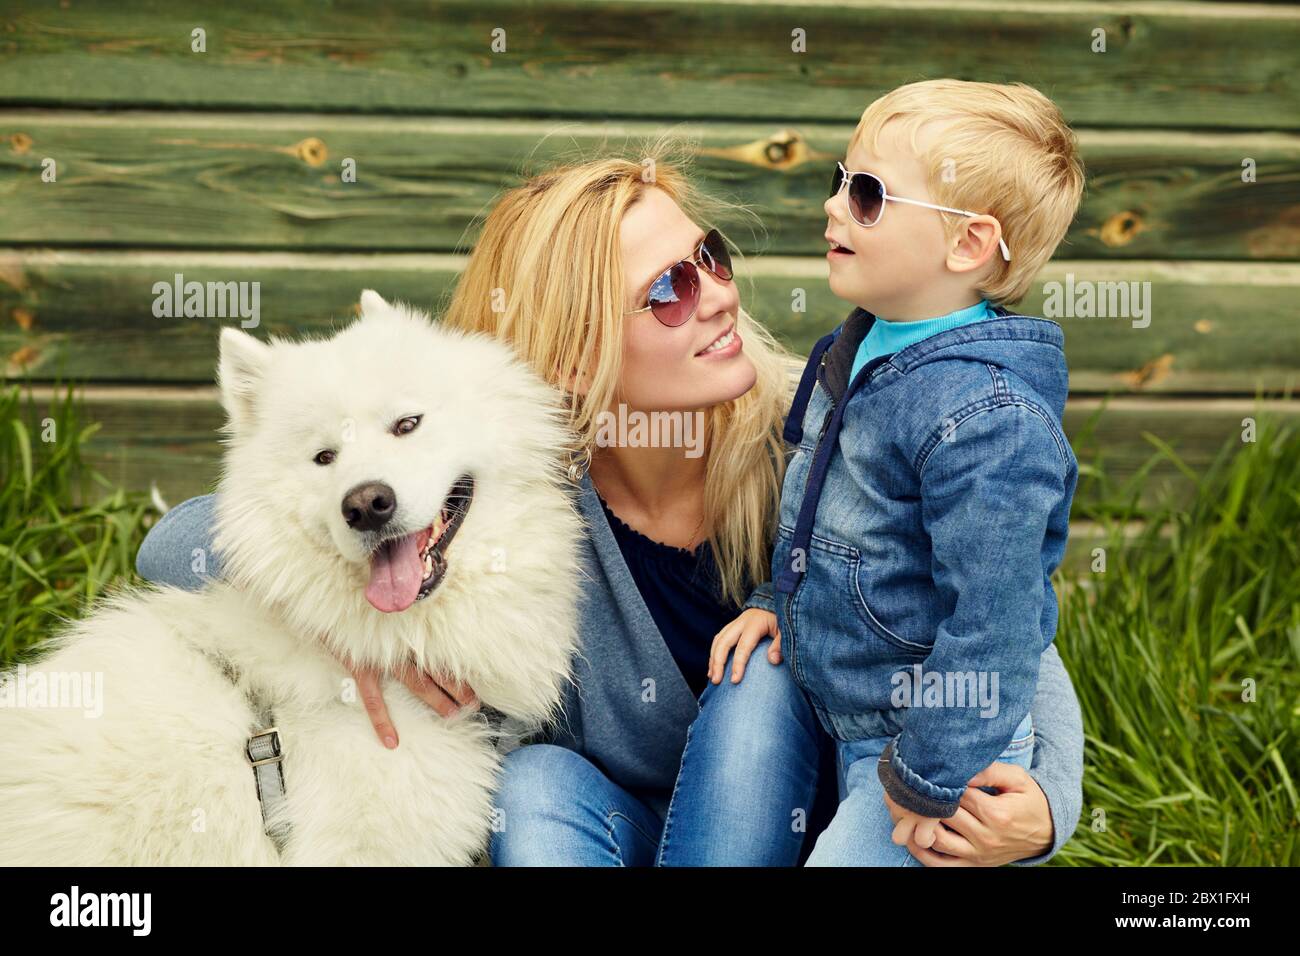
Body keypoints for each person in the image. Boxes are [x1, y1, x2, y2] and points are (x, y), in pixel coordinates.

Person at [135, 140, 1084, 866]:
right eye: (668, 290)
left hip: (824, 823)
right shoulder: (502, 498)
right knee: (537, 782)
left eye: (708, 257)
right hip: (621, 825)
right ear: (576, 355)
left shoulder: (834, 431)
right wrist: (349, 614)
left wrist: (1047, 805)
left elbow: (998, 615)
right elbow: (177, 544)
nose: (716, 295)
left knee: (757, 690)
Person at [708, 79, 1087, 865]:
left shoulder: (989, 421)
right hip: (851, 716)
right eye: (839, 181)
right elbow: (815, 504)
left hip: (940, 752)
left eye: (871, 195)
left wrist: (929, 777)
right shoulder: (855, 349)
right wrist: (779, 596)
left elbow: (997, 620)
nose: (835, 207)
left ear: (967, 245)